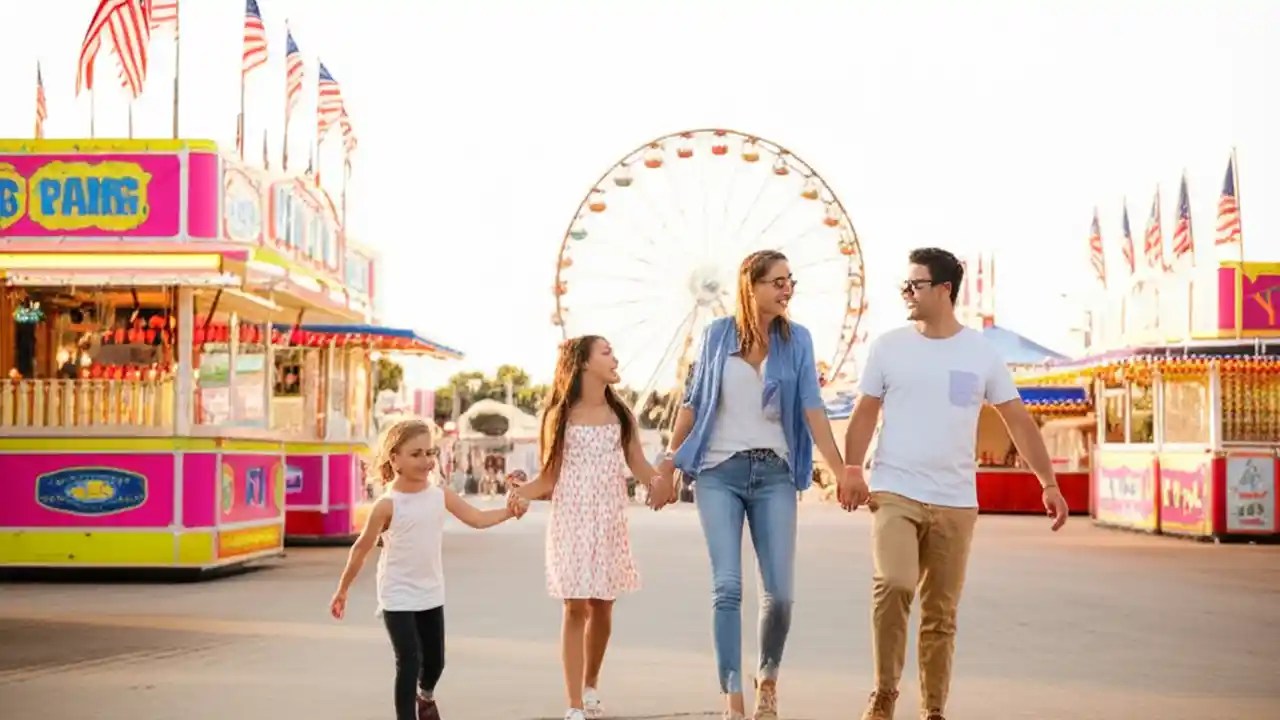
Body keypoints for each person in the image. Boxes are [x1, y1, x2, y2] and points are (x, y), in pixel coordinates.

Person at [843, 247, 1069, 720]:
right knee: (895, 583)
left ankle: (934, 710)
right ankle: (884, 693)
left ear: (945, 290)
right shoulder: (888, 347)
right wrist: (851, 468)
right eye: (904, 285)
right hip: (895, 490)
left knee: (941, 616)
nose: (907, 292)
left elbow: (1018, 422)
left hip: (955, 501)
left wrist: (1047, 482)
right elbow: (864, 413)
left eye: (916, 285)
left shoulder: (982, 354)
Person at [656, 250, 867, 720]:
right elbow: (691, 404)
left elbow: (813, 408)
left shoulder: (798, 340)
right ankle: (733, 700)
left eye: (791, 281)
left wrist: (841, 469)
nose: (786, 289)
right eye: (776, 281)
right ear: (749, 286)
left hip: (774, 473)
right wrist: (670, 463)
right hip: (718, 472)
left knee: (781, 595)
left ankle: (767, 677)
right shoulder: (716, 336)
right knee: (727, 587)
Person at [329, 417, 528, 720]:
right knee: (408, 660)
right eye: (416, 454)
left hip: (430, 591)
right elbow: (362, 548)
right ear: (394, 459)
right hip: (396, 593)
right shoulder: (387, 505)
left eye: (430, 453)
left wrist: (509, 512)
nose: (426, 461)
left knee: (435, 663)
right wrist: (343, 589)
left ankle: (426, 696)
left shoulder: (439, 495)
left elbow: (476, 518)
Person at [511, 335, 663, 720]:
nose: (615, 358)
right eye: (607, 352)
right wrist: (521, 492)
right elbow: (549, 477)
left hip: (609, 519)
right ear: (582, 363)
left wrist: (664, 482)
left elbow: (641, 468)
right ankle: (574, 704)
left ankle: (591, 683)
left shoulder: (621, 415)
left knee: (602, 606)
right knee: (574, 604)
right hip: (571, 520)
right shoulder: (557, 416)